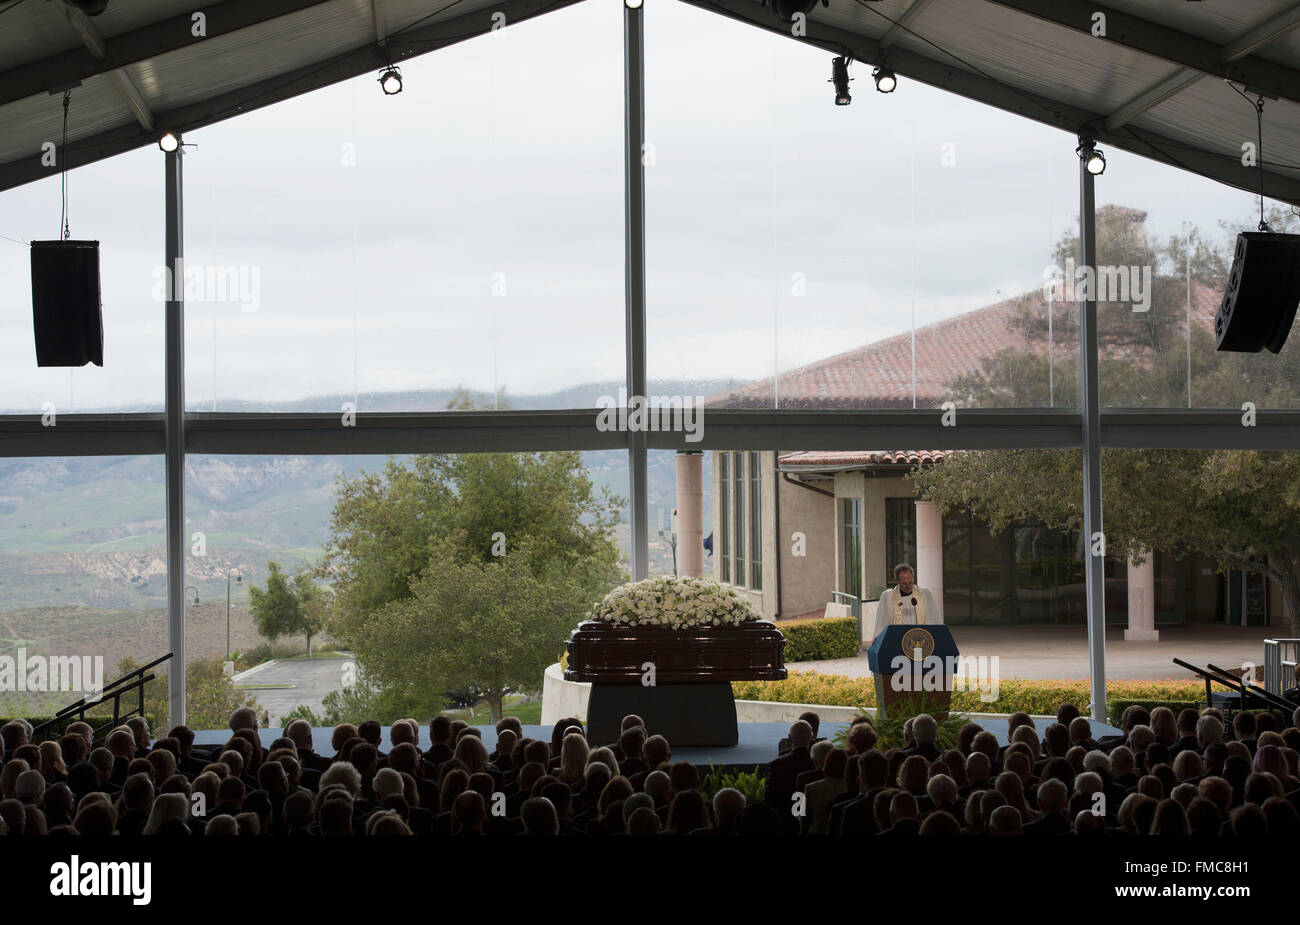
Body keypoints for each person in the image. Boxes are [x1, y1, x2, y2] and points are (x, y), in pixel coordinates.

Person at [871, 563, 942, 643]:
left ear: (913, 578)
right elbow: (882, 621)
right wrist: (878, 636)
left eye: (910, 582)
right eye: (904, 583)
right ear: (897, 581)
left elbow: (933, 619)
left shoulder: (924, 594)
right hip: (898, 640)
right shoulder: (888, 597)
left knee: (918, 654)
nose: (908, 586)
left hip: (920, 640)